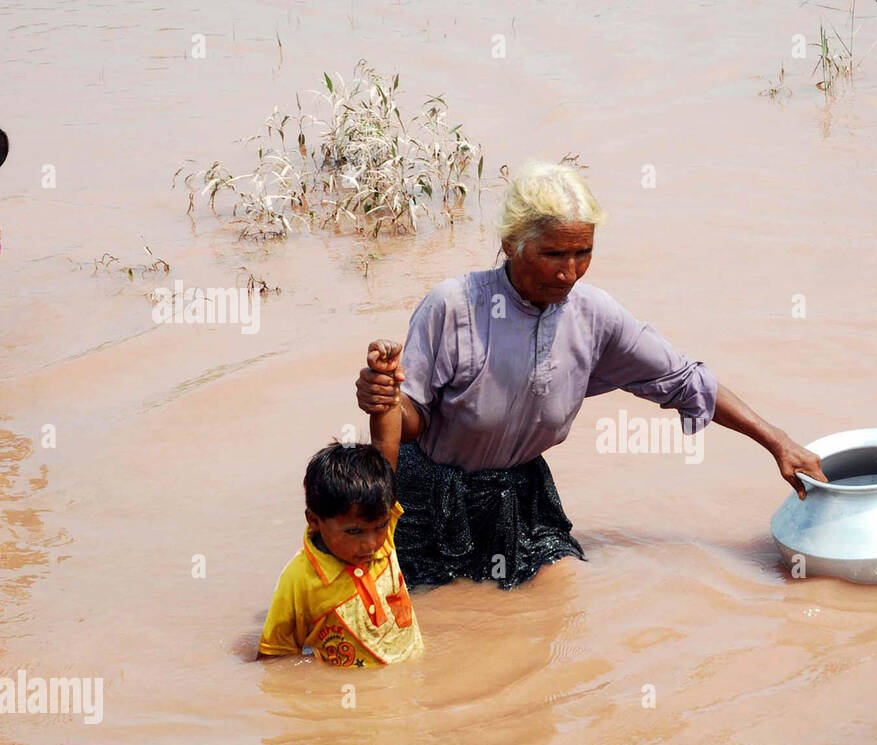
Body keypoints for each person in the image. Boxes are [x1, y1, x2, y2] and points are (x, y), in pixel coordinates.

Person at [355, 160, 827, 590]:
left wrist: (777, 441)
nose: (568, 273)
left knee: (568, 595)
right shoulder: (454, 306)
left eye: (583, 252)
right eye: (553, 254)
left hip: (520, 497)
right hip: (433, 494)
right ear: (510, 244)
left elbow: (685, 380)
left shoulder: (594, 316)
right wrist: (385, 399)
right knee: (427, 619)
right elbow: (413, 419)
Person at [258, 346, 422, 666]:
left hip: (410, 687)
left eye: (379, 527)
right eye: (354, 531)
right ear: (315, 520)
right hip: (356, 703)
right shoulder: (300, 581)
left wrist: (386, 383)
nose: (371, 543)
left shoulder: (382, 532)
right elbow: (274, 659)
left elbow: (386, 448)